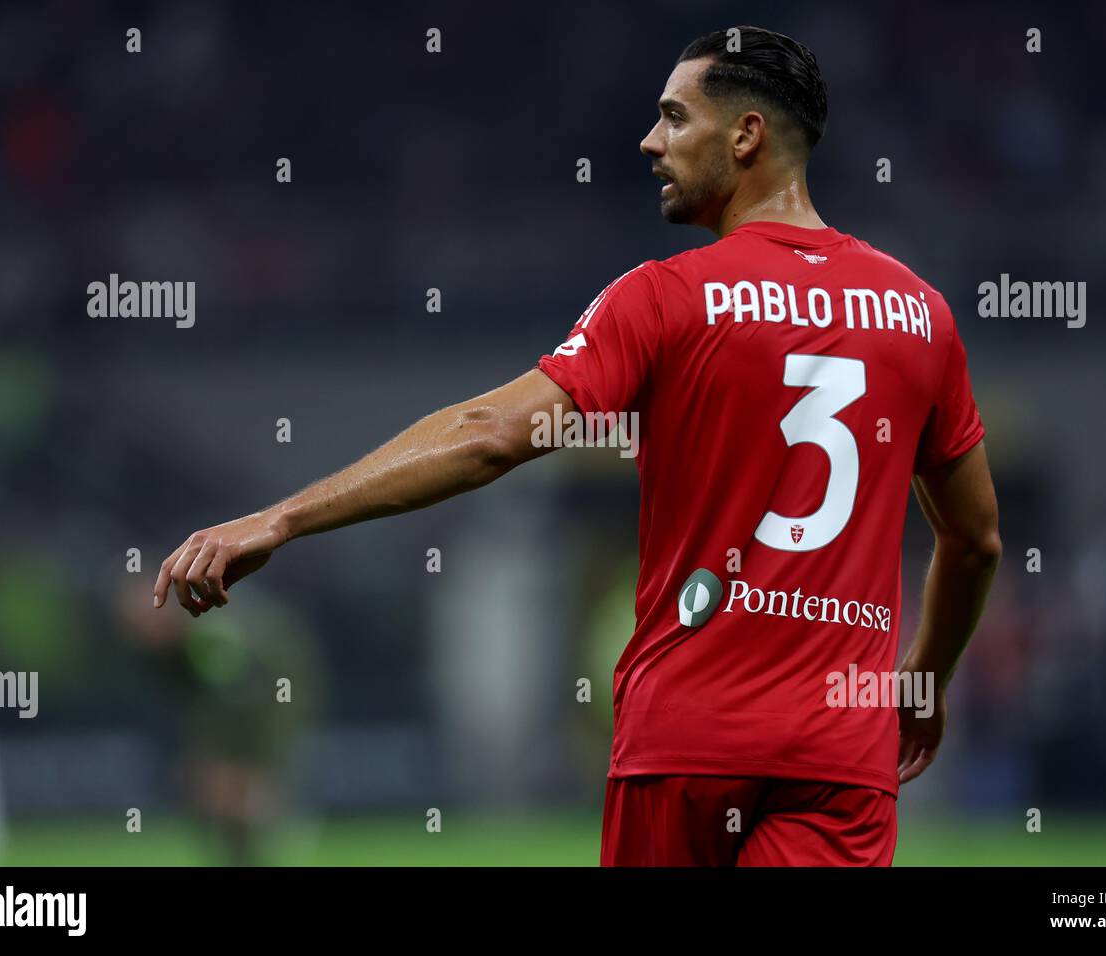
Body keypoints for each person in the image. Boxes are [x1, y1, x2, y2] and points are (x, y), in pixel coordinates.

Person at [154, 25, 1001, 867]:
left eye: (675, 117)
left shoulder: (666, 297)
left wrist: (282, 519)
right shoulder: (920, 315)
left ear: (746, 136)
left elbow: (490, 435)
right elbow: (974, 541)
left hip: (686, 741)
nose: (649, 140)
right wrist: (923, 679)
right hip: (839, 754)